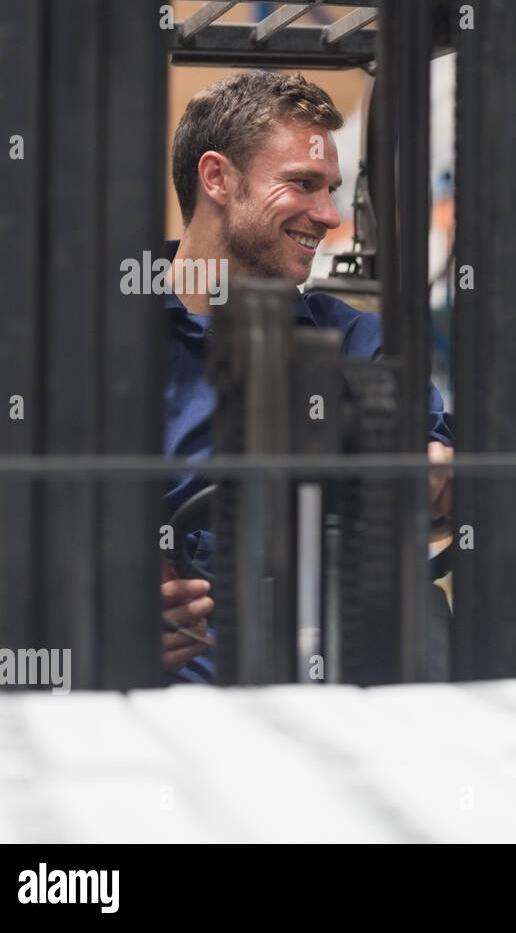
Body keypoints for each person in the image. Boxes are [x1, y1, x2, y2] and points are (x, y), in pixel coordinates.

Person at [162, 70, 453, 680]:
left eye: (332, 190)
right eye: (302, 184)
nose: (326, 215)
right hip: (150, 718)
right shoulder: (100, 345)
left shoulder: (353, 341)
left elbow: (440, 456)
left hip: (326, 705)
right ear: (217, 178)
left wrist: (442, 474)